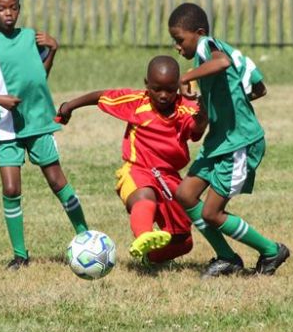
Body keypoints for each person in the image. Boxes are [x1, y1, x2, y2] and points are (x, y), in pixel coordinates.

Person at [0, 0, 90, 270]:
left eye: (12, 7)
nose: (7, 13)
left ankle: (86, 236)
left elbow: (39, 76)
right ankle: (20, 255)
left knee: (58, 181)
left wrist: (53, 51)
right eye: (0, 8)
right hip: (5, 126)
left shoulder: (32, 37)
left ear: (19, 9)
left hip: (38, 122)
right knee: (10, 188)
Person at [168, 2, 290, 278]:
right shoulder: (221, 51)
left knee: (212, 213)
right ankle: (227, 257)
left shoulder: (205, 46)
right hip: (220, 141)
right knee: (185, 194)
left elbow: (221, 63)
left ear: (198, 32)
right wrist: (205, 113)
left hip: (238, 143)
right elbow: (258, 87)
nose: (177, 47)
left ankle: (271, 250)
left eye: (179, 39)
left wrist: (184, 77)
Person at [56, 55, 215, 266]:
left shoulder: (185, 109)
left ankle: (149, 257)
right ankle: (143, 234)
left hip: (169, 179)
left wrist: (203, 112)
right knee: (143, 195)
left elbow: (195, 132)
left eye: (170, 89)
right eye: (157, 89)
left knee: (183, 241)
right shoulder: (136, 102)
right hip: (138, 169)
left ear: (178, 85)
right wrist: (69, 106)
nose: (164, 95)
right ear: (147, 84)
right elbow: (101, 96)